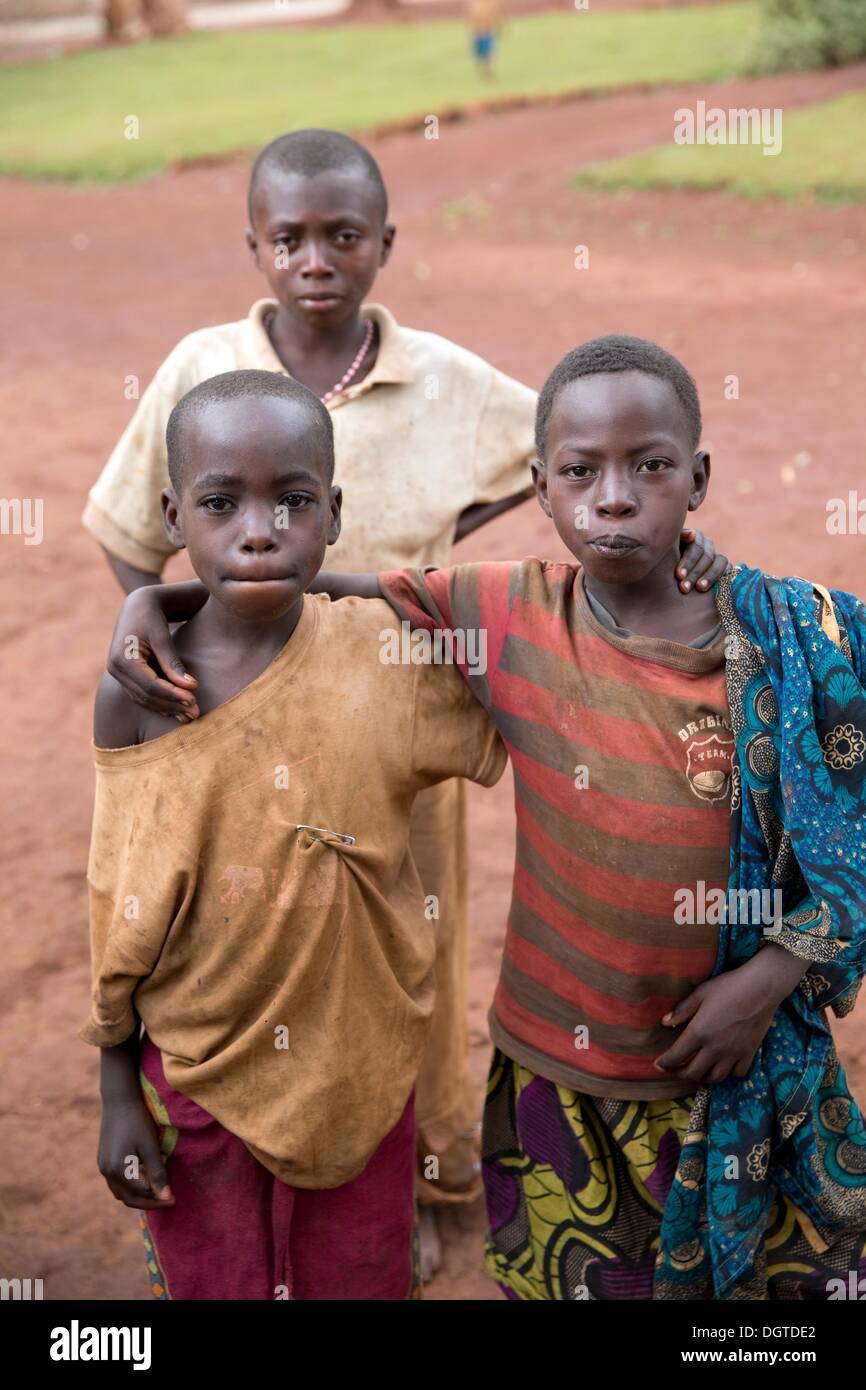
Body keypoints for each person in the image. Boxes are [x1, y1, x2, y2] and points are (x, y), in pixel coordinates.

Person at [103, 338, 747, 1299]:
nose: (258, 531)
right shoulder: (146, 692)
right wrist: (118, 1088)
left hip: (367, 1066)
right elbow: (117, 905)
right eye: (219, 503)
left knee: (359, 1271)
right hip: (195, 1066)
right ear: (174, 515)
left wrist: (673, 566)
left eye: (292, 501)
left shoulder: (404, 659)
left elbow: (560, 647)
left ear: (333, 515)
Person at [82, 126, 540, 1270]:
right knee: (220, 934)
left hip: (393, 722)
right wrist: (160, 614)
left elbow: (558, 449)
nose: (317, 259)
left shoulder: (442, 377)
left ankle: (423, 1175)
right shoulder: (198, 367)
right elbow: (135, 528)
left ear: (383, 242)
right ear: (254, 245)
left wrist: (422, 571)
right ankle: (219, 1168)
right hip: (227, 716)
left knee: (408, 954)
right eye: (289, 238)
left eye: (343, 237)